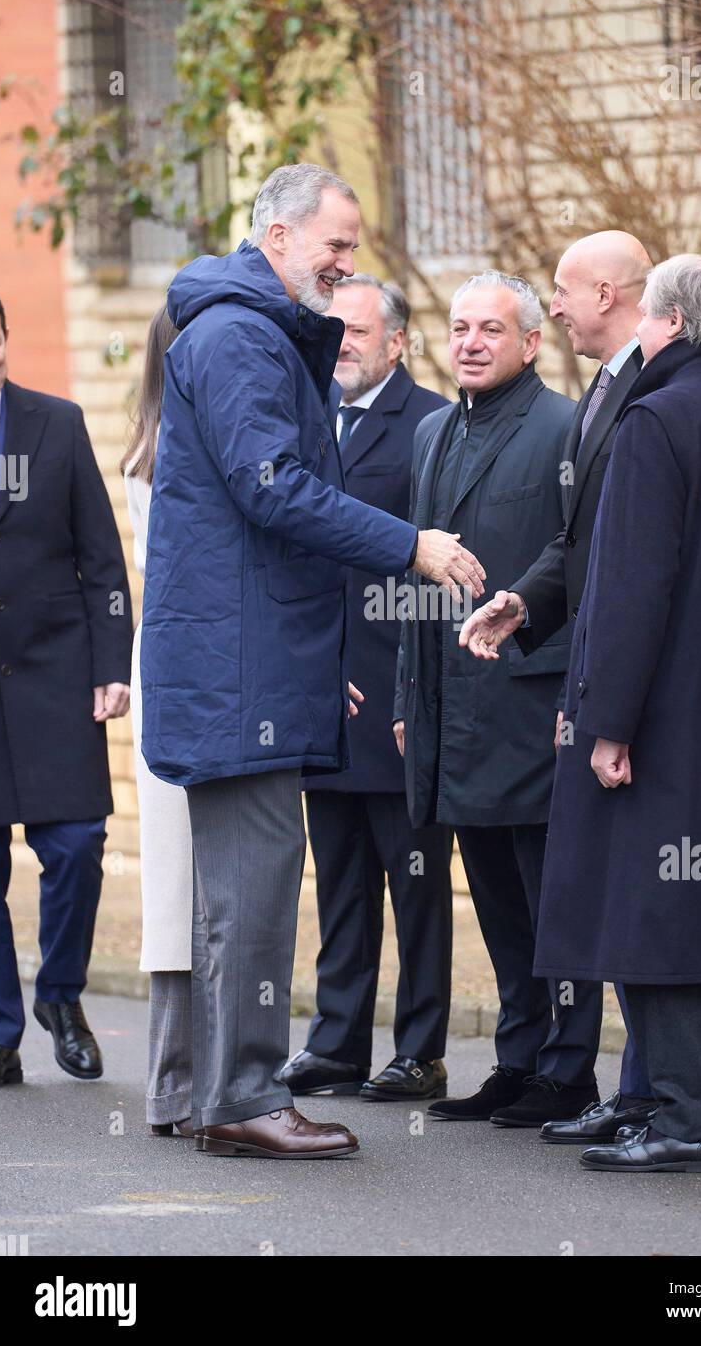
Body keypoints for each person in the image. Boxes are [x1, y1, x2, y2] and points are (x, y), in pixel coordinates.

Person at [141, 163, 484, 1160]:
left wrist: (304, 662)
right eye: (335, 245)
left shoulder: (244, 328)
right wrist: (407, 542)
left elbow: (253, 537)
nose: (347, 264)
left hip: (247, 660)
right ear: (279, 238)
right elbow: (272, 489)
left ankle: (224, 1095)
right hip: (236, 670)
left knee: (242, 893)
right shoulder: (243, 334)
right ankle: (244, 1097)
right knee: (251, 893)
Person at [520, 255, 701, 1172]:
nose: (641, 334)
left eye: (649, 318)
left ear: (677, 323)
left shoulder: (657, 418)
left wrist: (608, 721)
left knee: (657, 910)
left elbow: (629, 591)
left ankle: (689, 1118)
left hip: (666, 715)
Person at [458, 233, 657, 1146]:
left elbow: (625, 561)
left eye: (561, 292)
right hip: (506, 693)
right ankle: (544, 1063)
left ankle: (606, 1079)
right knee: (513, 901)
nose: (558, 301)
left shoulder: (640, 396)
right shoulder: (598, 399)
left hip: (582, 702)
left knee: (575, 898)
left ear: (604, 293)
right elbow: (575, 551)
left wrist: (593, 698)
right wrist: (519, 602)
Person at [393, 270, 600, 1129]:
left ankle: (568, 1069)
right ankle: (517, 1061)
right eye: (462, 327)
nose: (471, 342)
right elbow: (415, 575)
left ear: (530, 342)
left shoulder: (567, 427)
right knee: (494, 899)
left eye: (491, 329)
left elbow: (580, 564)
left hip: (532, 706)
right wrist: (410, 694)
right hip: (451, 710)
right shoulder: (433, 431)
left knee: (552, 895)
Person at [283, 275, 454, 1103]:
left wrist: (410, 697)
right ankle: (336, 1043)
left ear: (396, 342)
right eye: (330, 329)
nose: (340, 342)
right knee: (341, 885)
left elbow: (446, 568)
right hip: (325, 699)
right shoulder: (304, 417)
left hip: (398, 700)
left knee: (417, 887)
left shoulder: (430, 425)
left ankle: (420, 1048)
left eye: (355, 330)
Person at [0, 285, 133, 1088]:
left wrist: (113, 664)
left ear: (6, 339)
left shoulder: (60, 424)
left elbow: (102, 561)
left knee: (76, 846)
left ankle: (62, 999)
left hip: (55, 676)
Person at [122, 304, 196, 1138]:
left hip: (168, 664)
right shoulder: (171, 454)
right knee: (186, 887)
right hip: (185, 668)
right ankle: (183, 1082)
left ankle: (185, 1082)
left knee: (187, 887)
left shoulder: (153, 446)